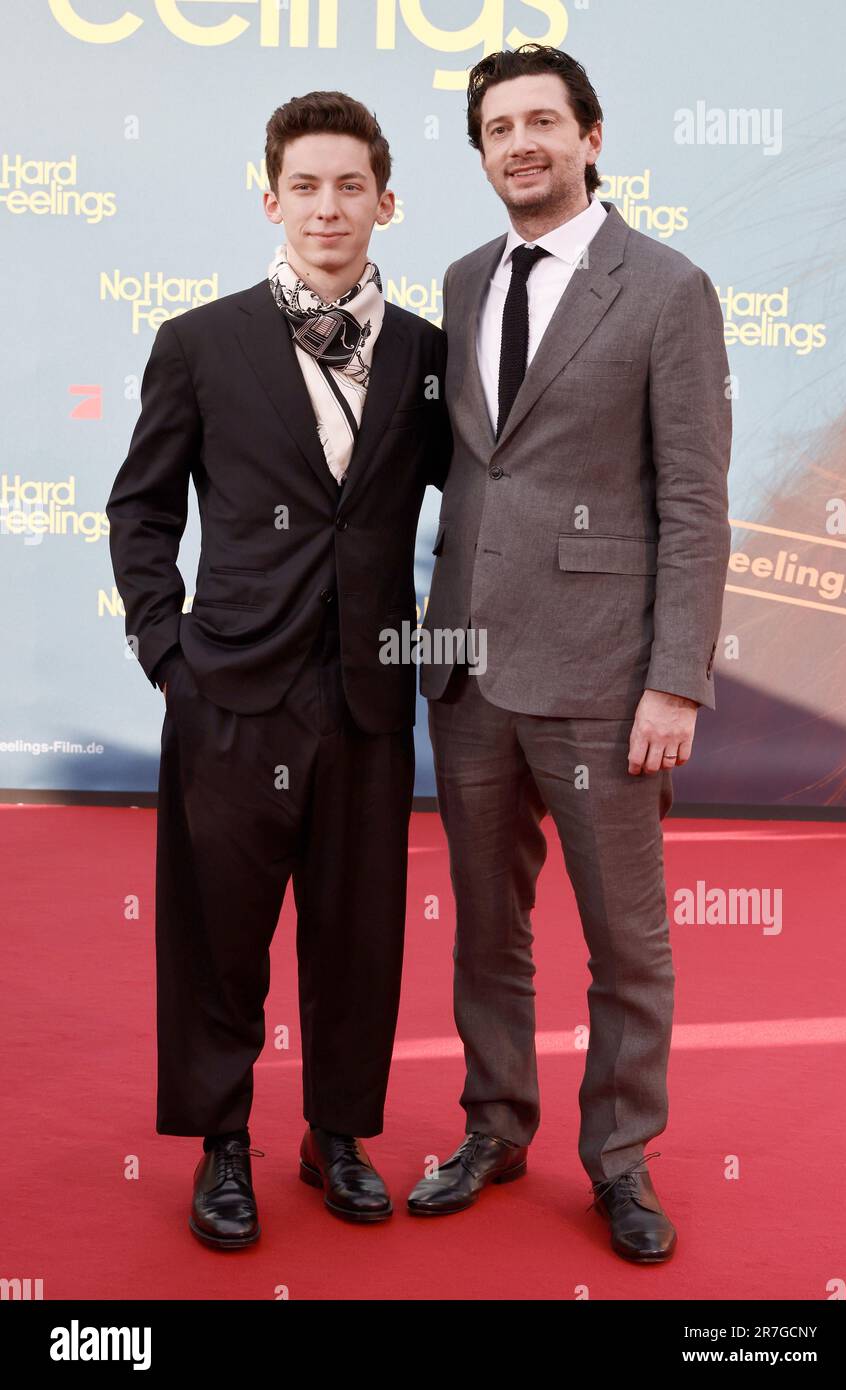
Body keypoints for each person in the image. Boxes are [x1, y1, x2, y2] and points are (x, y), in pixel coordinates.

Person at [106, 91, 450, 1248]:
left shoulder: (428, 357)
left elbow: (496, 503)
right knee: (219, 935)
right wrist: (169, 654)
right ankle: (221, 1145)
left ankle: (337, 1136)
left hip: (364, 695)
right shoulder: (198, 342)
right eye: (305, 185)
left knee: (359, 935)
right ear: (271, 200)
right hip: (232, 694)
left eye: (351, 184)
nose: (328, 206)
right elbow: (140, 509)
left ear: (386, 203)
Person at [409, 44, 731, 1264]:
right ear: (482, 150)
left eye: (544, 121)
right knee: (485, 926)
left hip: (605, 677)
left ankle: (621, 1160)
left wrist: (676, 677)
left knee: (627, 941)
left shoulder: (667, 286)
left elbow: (695, 502)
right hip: (471, 669)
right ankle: (493, 1128)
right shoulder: (460, 279)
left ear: (593, 135)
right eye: (500, 127)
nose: (522, 144)